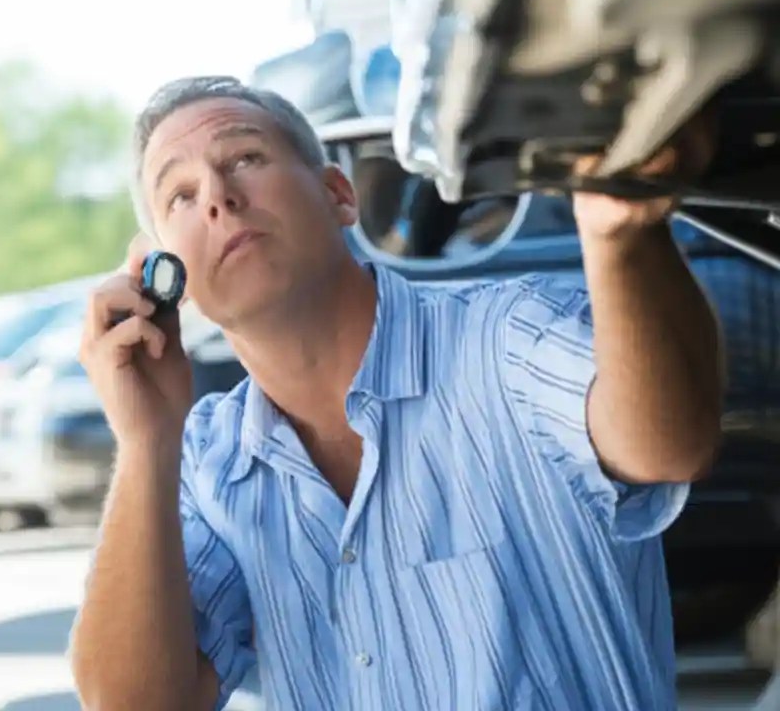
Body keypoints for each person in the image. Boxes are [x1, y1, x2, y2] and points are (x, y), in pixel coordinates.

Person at [69, 76, 725, 710]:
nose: (216, 195)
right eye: (179, 196)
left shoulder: (502, 339)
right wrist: (147, 441)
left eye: (244, 156)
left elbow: (667, 447)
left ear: (338, 196)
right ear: (166, 275)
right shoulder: (208, 466)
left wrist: (619, 235)